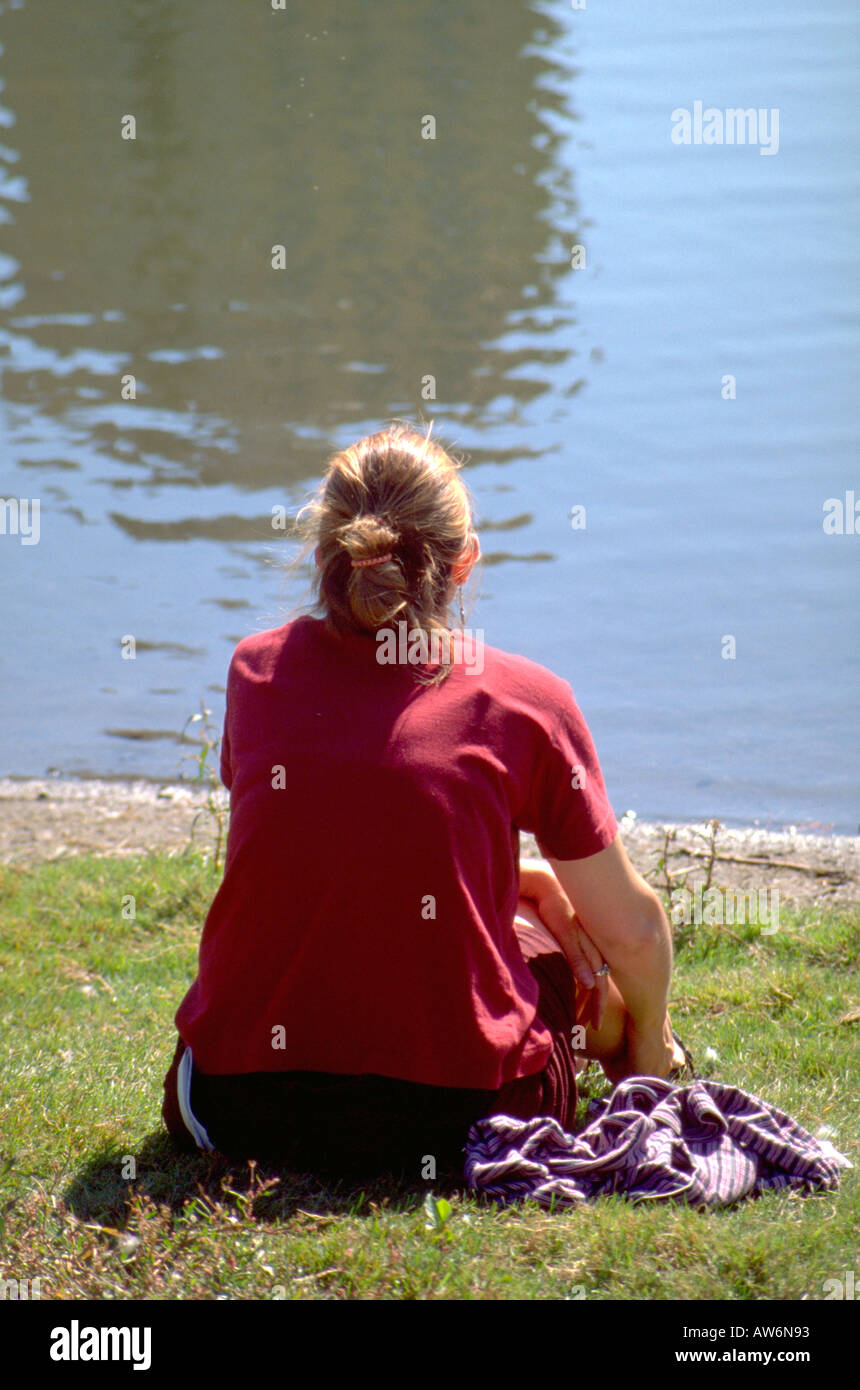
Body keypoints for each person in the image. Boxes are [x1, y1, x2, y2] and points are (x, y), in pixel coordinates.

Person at [162, 422, 686, 1176]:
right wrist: (652, 1032)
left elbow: (336, 842)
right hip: (463, 1118)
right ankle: (637, 1052)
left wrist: (524, 881)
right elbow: (634, 932)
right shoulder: (527, 700)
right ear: (464, 562)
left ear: (323, 553)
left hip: (235, 1104)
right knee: (569, 955)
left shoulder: (256, 671)